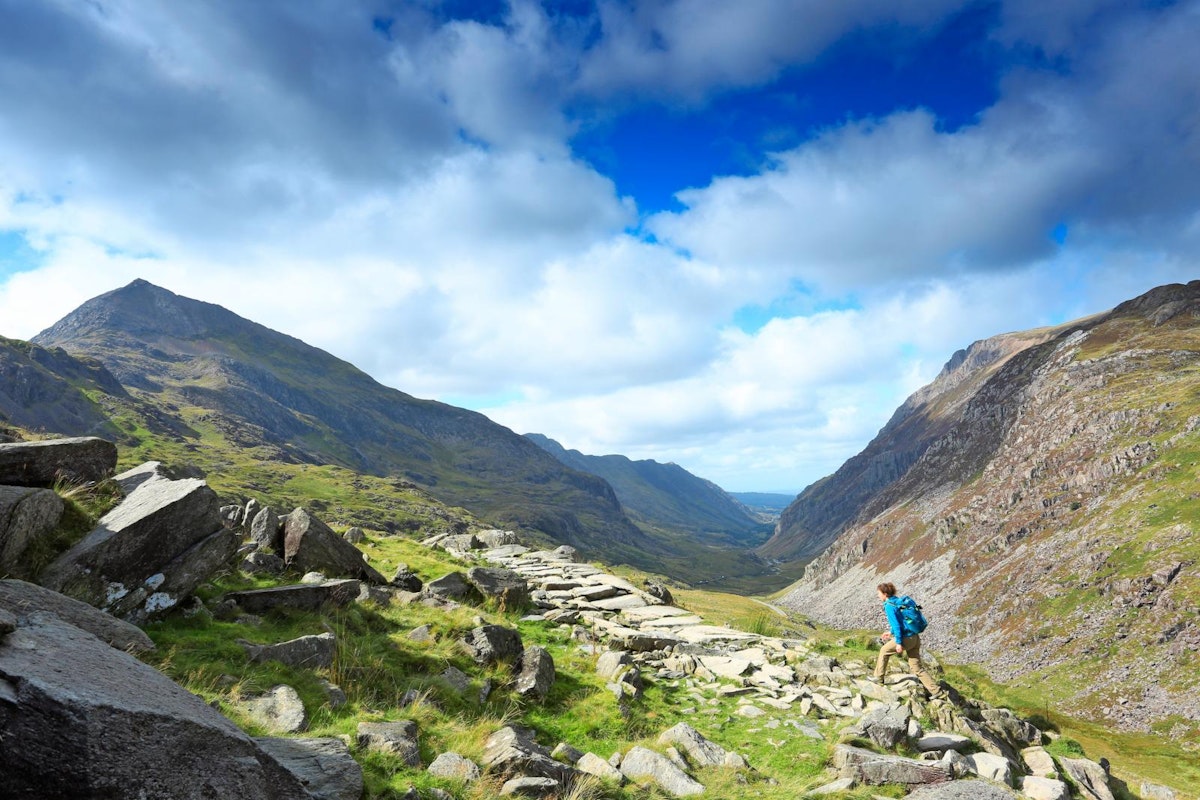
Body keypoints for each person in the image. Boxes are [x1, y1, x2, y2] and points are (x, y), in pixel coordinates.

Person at [872, 582, 944, 698]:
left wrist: (899, 643)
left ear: (885, 594)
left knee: (884, 651)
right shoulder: (897, 601)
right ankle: (937, 692)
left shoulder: (889, 606)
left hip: (906, 639)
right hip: (915, 637)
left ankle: (878, 678)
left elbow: (897, 626)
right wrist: (890, 633)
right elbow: (902, 621)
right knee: (917, 667)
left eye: (879, 594)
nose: (878, 596)